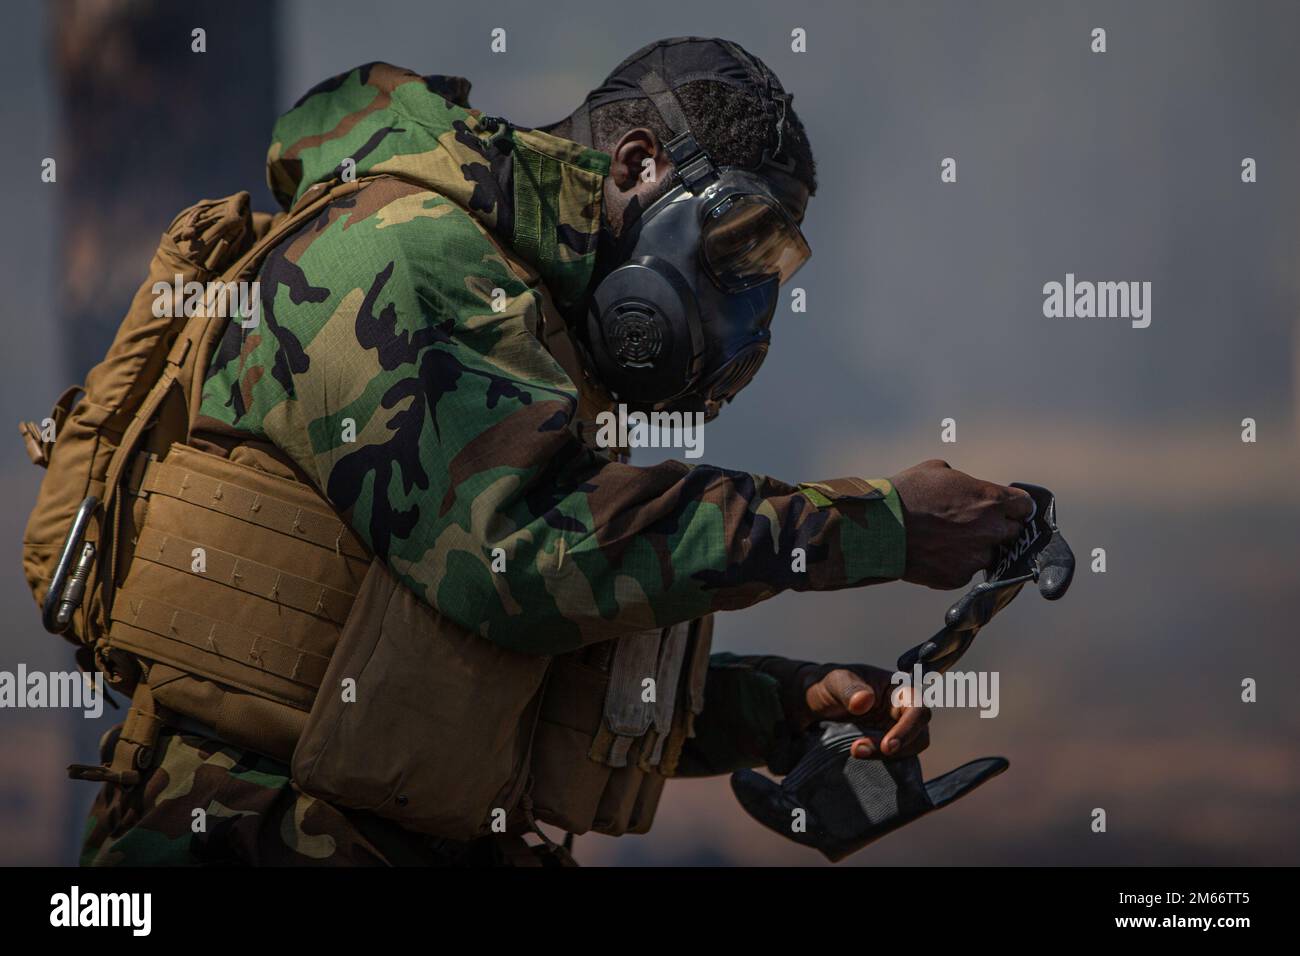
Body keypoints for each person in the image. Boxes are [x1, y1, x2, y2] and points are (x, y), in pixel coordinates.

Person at [81, 37, 1030, 866]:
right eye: (737, 246)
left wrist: (785, 710)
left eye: (769, 266)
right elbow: (517, 566)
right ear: (637, 163)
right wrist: (879, 529)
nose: (748, 300)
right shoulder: (411, 254)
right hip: (243, 835)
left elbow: (517, 665)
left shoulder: (533, 320)